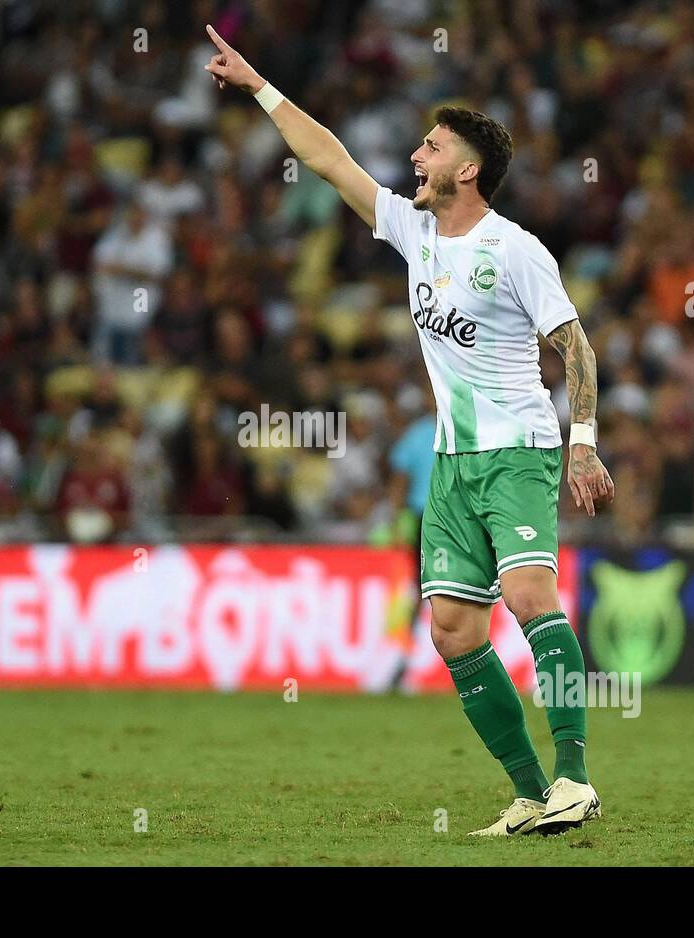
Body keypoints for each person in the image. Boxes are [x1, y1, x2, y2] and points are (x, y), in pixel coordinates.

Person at [205, 26, 615, 835]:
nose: (414, 157)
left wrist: (584, 441)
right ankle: (532, 793)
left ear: (468, 169)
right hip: (451, 462)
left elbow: (574, 344)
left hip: (517, 450)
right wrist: (260, 85)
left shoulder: (516, 249)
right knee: (453, 630)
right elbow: (328, 159)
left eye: (431, 147)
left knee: (533, 599)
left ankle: (576, 776)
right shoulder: (413, 230)